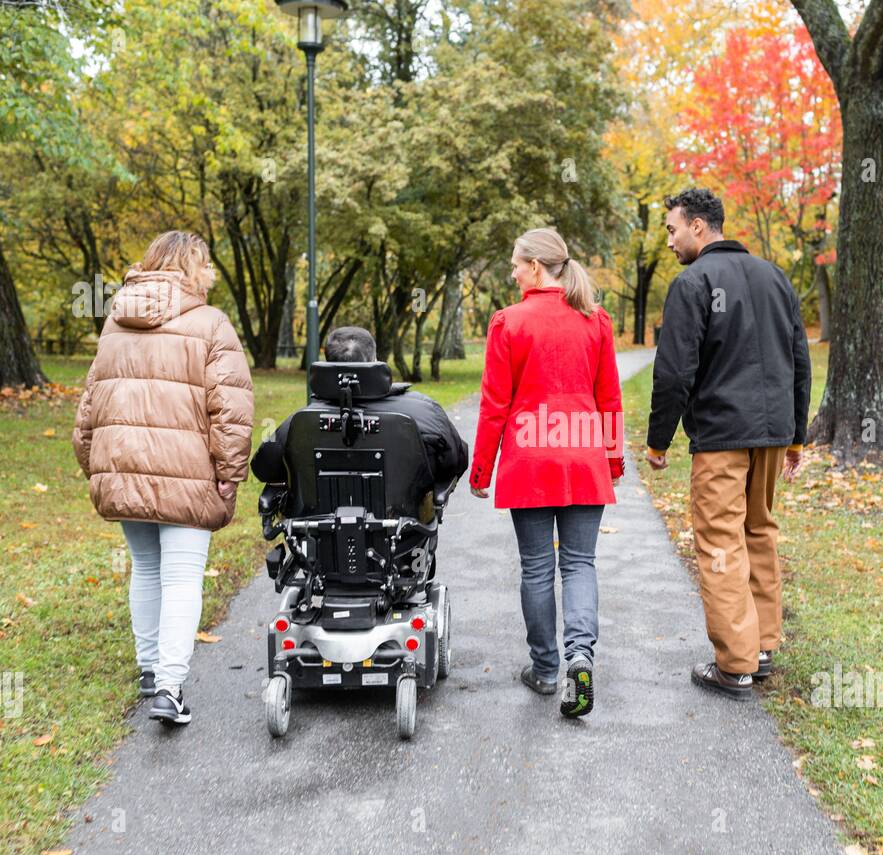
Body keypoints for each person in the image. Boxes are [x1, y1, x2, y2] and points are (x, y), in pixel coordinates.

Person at [72, 231, 254, 726]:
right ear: (193, 269)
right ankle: (169, 687)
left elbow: (90, 402)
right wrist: (230, 473)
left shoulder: (114, 322)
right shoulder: (212, 324)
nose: (212, 273)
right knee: (180, 577)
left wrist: (92, 460)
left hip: (124, 468)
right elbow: (231, 411)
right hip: (186, 475)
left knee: (146, 570)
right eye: (207, 264)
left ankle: (151, 671)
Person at [645, 188, 811, 702]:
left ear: (699, 226)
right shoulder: (774, 277)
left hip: (721, 437)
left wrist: (657, 441)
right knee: (757, 532)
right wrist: (796, 436)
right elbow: (799, 358)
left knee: (719, 542)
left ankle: (734, 665)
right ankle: (759, 646)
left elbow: (674, 370)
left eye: (673, 230)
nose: (669, 242)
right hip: (772, 433)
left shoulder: (693, 282)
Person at [470, 227, 623, 719]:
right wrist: (614, 460)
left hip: (529, 461)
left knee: (537, 567)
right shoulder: (595, 320)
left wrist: (481, 469)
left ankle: (545, 669)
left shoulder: (508, 322)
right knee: (579, 564)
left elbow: (495, 405)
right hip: (583, 458)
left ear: (536, 266)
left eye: (516, 264)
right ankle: (581, 655)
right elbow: (609, 399)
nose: (512, 273)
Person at [250, 326, 468, 512]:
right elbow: (455, 460)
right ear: (375, 361)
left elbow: (264, 468)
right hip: (402, 537)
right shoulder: (423, 411)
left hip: (318, 544)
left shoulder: (299, 422)